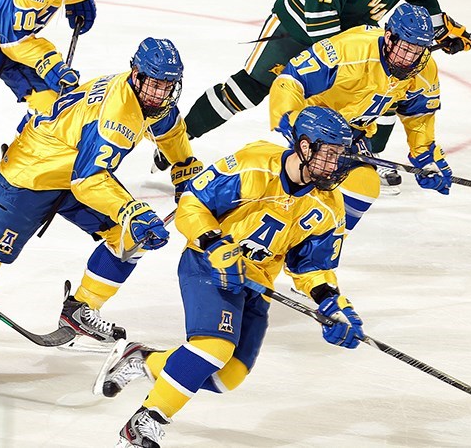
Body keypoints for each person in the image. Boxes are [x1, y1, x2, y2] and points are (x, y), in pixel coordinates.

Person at [95, 106, 366, 447]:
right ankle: (144, 423)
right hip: (209, 264)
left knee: (227, 376)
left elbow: (312, 266)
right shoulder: (255, 163)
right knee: (214, 347)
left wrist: (334, 305)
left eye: (340, 155)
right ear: (304, 146)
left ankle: (144, 359)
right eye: (329, 154)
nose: (336, 164)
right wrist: (214, 243)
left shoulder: (329, 205)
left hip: (257, 282)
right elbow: (192, 202)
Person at [0, 38, 203, 348]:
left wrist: (184, 164)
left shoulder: (148, 100)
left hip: (70, 171)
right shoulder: (115, 117)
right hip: (32, 174)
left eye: (167, 86)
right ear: (136, 75)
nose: (160, 93)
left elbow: (170, 130)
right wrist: (131, 210)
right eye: (155, 84)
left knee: (128, 236)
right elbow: (88, 181)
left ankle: (80, 310)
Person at [154, 0, 471, 194]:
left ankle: (362, 159)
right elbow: (320, 18)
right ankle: (177, 142)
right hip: (298, 27)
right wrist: (348, 62)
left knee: (387, 87)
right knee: (249, 89)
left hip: (354, 35)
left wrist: (439, 29)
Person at [269, 3, 452, 233]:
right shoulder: (350, 49)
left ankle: (327, 241)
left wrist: (426, 156)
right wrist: (292, 121)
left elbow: (419, 116)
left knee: (365, 185)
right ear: (389, 37)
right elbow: (291, 80)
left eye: (418, 51)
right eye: (406, 49)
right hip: (317, 128)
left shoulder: (423, 69)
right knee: (305, 183)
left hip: (354, 133)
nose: (410, 59)